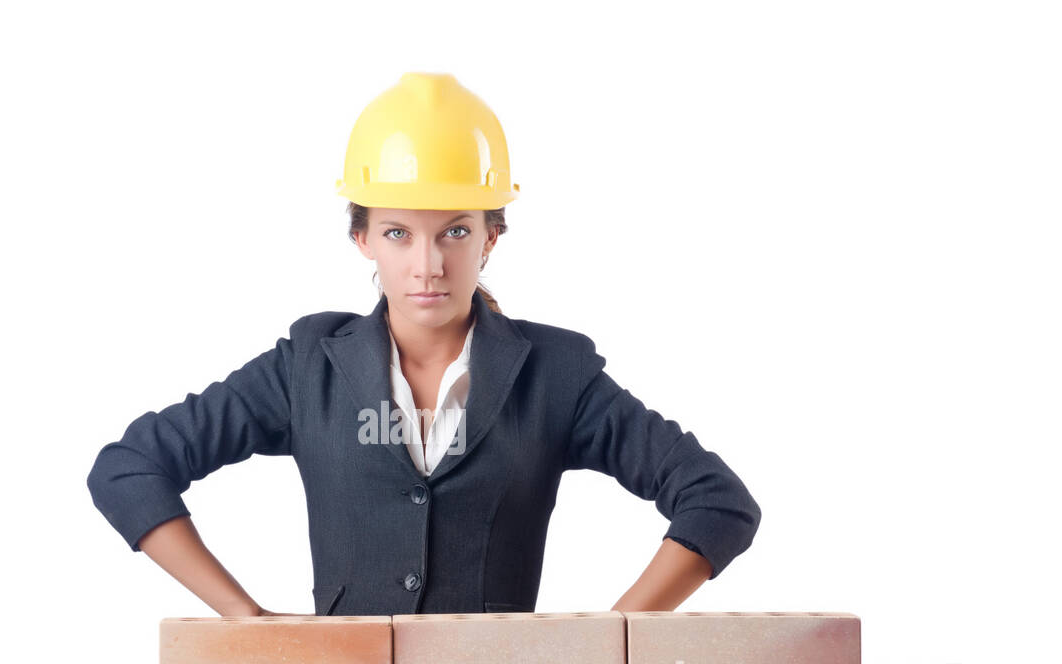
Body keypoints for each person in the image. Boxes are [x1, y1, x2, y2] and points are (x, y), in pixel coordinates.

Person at [87, 72, 761, 617]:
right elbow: (128, 469)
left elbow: (718, 500)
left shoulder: (558, 375)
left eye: (456, 232)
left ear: (492, 237)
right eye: (399, 233)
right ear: (362, 238)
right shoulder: (306, 367)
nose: (428, 264)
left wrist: (607, 645)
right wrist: (245, 621)